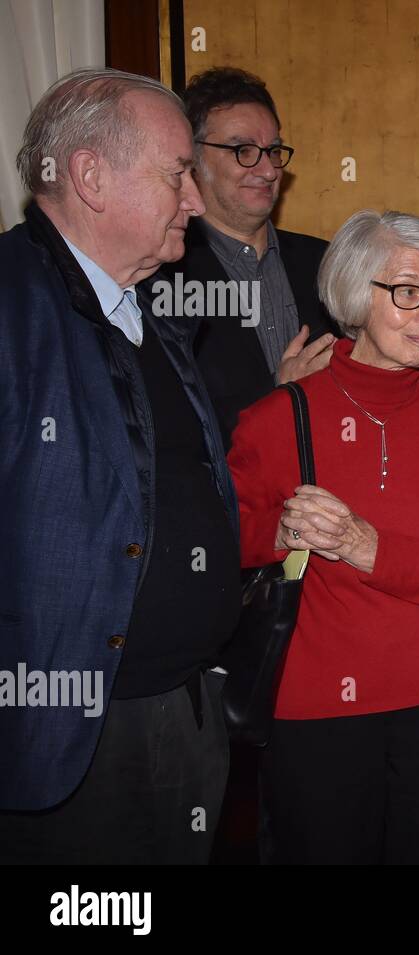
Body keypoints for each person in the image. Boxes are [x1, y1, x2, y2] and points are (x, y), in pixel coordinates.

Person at [0, 69, 238, 863]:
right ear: (91, 177)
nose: (198, 200)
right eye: (179, 172)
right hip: (64, 737)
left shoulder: (155, 313)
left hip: (185, 712)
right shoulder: (8, 305)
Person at [226, 210, 419, 863]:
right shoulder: (279, 415)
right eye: (408, 291)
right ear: (355, 294)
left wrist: (364, 545)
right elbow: (218, 544)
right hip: (318, 705)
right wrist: (280, 529)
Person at [163, 66, 337, 451]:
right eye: (243, 150)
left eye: (273, 150)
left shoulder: (329, 262)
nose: (268, 169)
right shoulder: (161, 276)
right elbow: (166, 426)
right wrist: (280, 397)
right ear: (193, 159)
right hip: (223, 503)